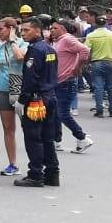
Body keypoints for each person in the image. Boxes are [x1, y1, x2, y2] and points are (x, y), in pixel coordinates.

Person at [12, 17, 59, 187]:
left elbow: (31, 78)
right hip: (50, 96)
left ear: (37, 30)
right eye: (22, 30)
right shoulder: (49, 49)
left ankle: (36, 174)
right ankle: (52, 173)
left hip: (36, 100)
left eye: (26, 30)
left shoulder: (35, 50)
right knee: (47, 138)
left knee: (33, 138)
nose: (23, 33)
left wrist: (22, 100)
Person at [48, 18, 93, 152]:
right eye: (51, 28)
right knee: (56, 113)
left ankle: (82, 138)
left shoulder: (68, 39)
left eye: (55, 28)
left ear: (63, 28)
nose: (52, 30)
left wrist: (77, 67)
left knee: (63, 114)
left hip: (66, 81)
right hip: (58, 81)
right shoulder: (59, 41)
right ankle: (57, 141)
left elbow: (84, 50)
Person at [0, 16, 27, 175]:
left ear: (11, 29)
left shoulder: (23, 44)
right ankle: (13, 164)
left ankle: (36, 163)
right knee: (8, 128)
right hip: (2, 89)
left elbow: (20, 58)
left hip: (20, 90)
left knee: (28, 127)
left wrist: (13, 41)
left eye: (2, 29)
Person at [83, 14, 112, 117]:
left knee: (98, 87)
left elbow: (87, 51)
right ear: (105, 23)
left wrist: (87, 63)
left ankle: (99, 111)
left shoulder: (91, 35)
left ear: (96, 23)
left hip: (97, 63)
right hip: (110, 62)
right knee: (111, 87)